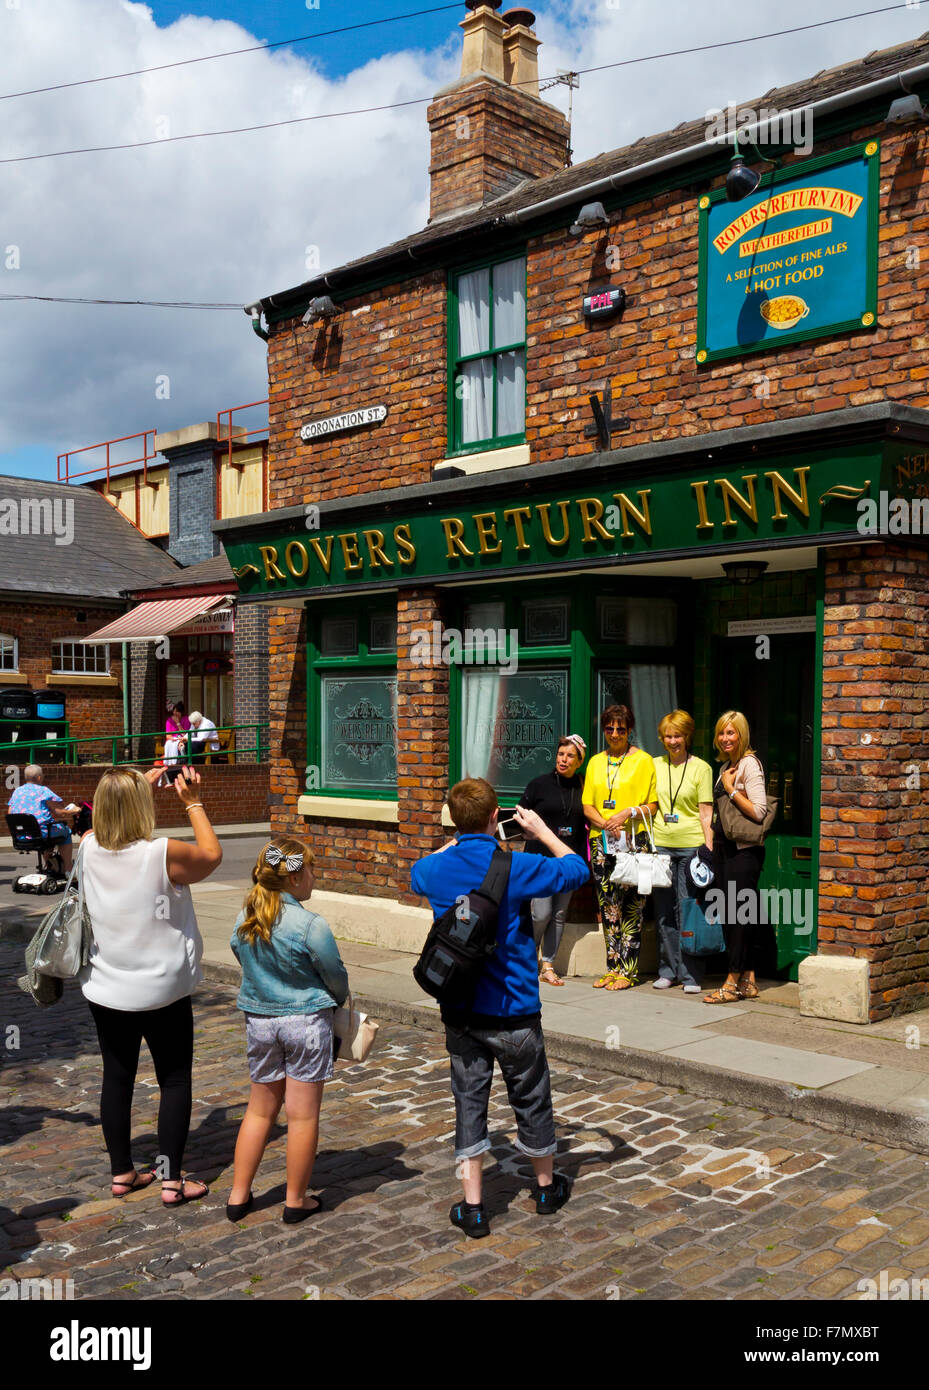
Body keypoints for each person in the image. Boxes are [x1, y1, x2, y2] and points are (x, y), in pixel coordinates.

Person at [411, 778, 589, 1239]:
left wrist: (454, 843)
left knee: (469, 1101)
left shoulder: (436, 871)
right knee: (531, 1096)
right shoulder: (518, 865)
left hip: (462, 1012)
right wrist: (543, 831)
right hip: (514, 1009)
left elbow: (417, 872)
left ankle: (473, 1207)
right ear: (497, 817)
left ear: (454, 820)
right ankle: (546, 1189)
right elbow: (576, 870)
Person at [79, 764, 222, 1205]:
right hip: (162, 989)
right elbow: (212, 855)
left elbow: (113, 808)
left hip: (107, 987)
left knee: (116, 1078)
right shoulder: (164, 853)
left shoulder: (85, 847)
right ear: (144, 805)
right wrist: (193, 800)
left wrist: (137, 779)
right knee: (174, 1079)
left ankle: (122, 1172)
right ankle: (172, 1181)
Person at [226, 839, 348, 1223]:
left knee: (260, 1111)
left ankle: (238, 1194)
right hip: (306, 1022)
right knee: (302, 1116)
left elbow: (237, 950)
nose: (314, 877)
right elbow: (335, 976)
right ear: (295, 877)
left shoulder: (247, 916)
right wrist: (338, 998)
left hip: (260, 1021)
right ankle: (295, 1200)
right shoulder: (310, 925)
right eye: (311, 869)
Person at [581, 704, 658, 990]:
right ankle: (612, 967)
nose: (614, 733)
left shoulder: (645, 761)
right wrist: (604, 822)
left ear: (629, 730)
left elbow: (653, 803)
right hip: (602, 842)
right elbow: (586, 803)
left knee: (632, 909)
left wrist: (627, 814)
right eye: (609, 728)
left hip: (634, 842)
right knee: (608, 906)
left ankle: (629, 971)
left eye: (621, 729)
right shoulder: (595, 762)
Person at [704, 710, 767, 1005]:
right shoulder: (727, 766)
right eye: (721, 733)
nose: (725, 738)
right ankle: (749, 980)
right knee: (736, 915)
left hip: (744, 852)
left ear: (742, 735)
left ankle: (730, 982)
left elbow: (758, 811)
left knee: (738, 916)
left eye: (731, 733)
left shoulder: (749, 765)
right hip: (725, 850)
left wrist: (730, 789)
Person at [518, 734, 589, 986]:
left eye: (570, 756)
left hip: (568, 861)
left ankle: (547, 965)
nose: (564, 759)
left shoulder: (584, 786)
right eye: (561, 754)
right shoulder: (539, 784)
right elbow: (520, 816)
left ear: (579, 761)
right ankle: (526, 959)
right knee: (540, 913)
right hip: (540, 860)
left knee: (559, 914)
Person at [651, 711, 714, 994]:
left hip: (690, 846)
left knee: (687, 909)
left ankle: (690, 975)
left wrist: (709, 849)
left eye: (678, 735)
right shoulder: (653, 765)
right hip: (660, 844)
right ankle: (668, 971)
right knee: (664, 911)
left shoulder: (701, 768)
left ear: (687, 737)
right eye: (668, 736)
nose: (673, 741)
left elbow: (705, 813)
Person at [8, 763, 78, 872]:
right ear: (39, 777)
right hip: (41, 834)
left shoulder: (17, 792)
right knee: (65, 831)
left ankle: (50, 865)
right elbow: (60, 813)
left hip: (20, 836)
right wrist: (74, 810)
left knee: (47, 831)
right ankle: (68, 869)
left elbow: (10, 814)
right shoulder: (43, 791)